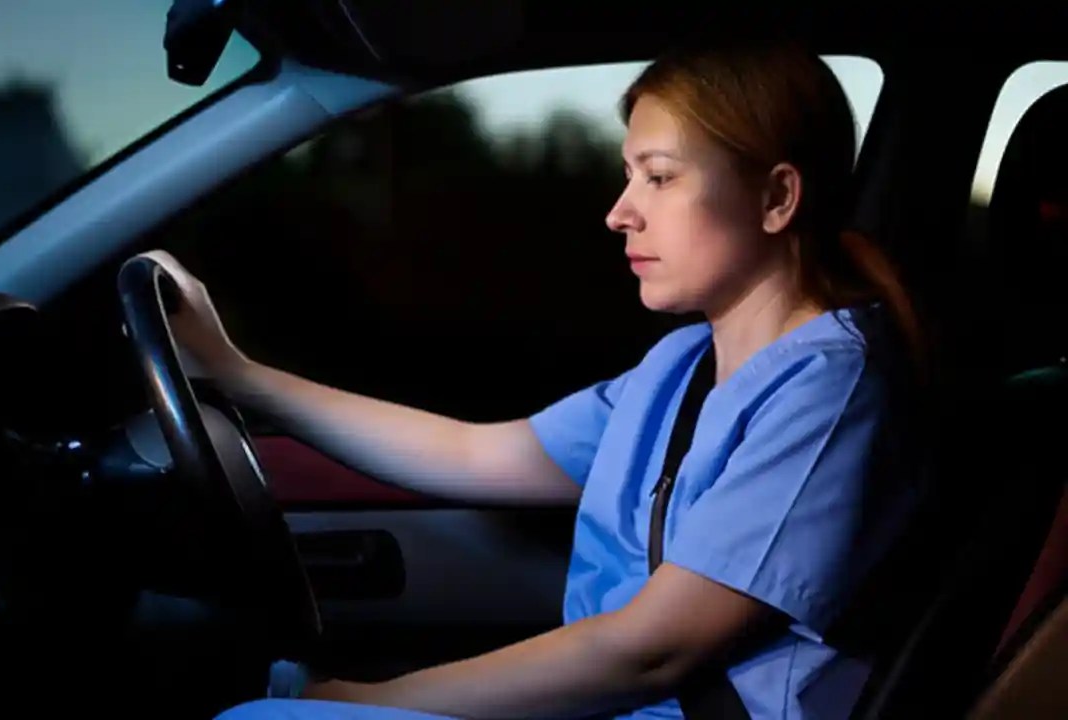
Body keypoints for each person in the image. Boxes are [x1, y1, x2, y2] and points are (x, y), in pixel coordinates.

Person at [144, 34, 928, 720]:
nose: (620, 212)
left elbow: (649, 654)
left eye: (657, 177)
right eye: (628, 176)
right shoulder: (681, 366)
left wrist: (368, 699)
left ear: (777, 197)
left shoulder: (830, 388)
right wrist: (241, 377)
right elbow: (472, 454)